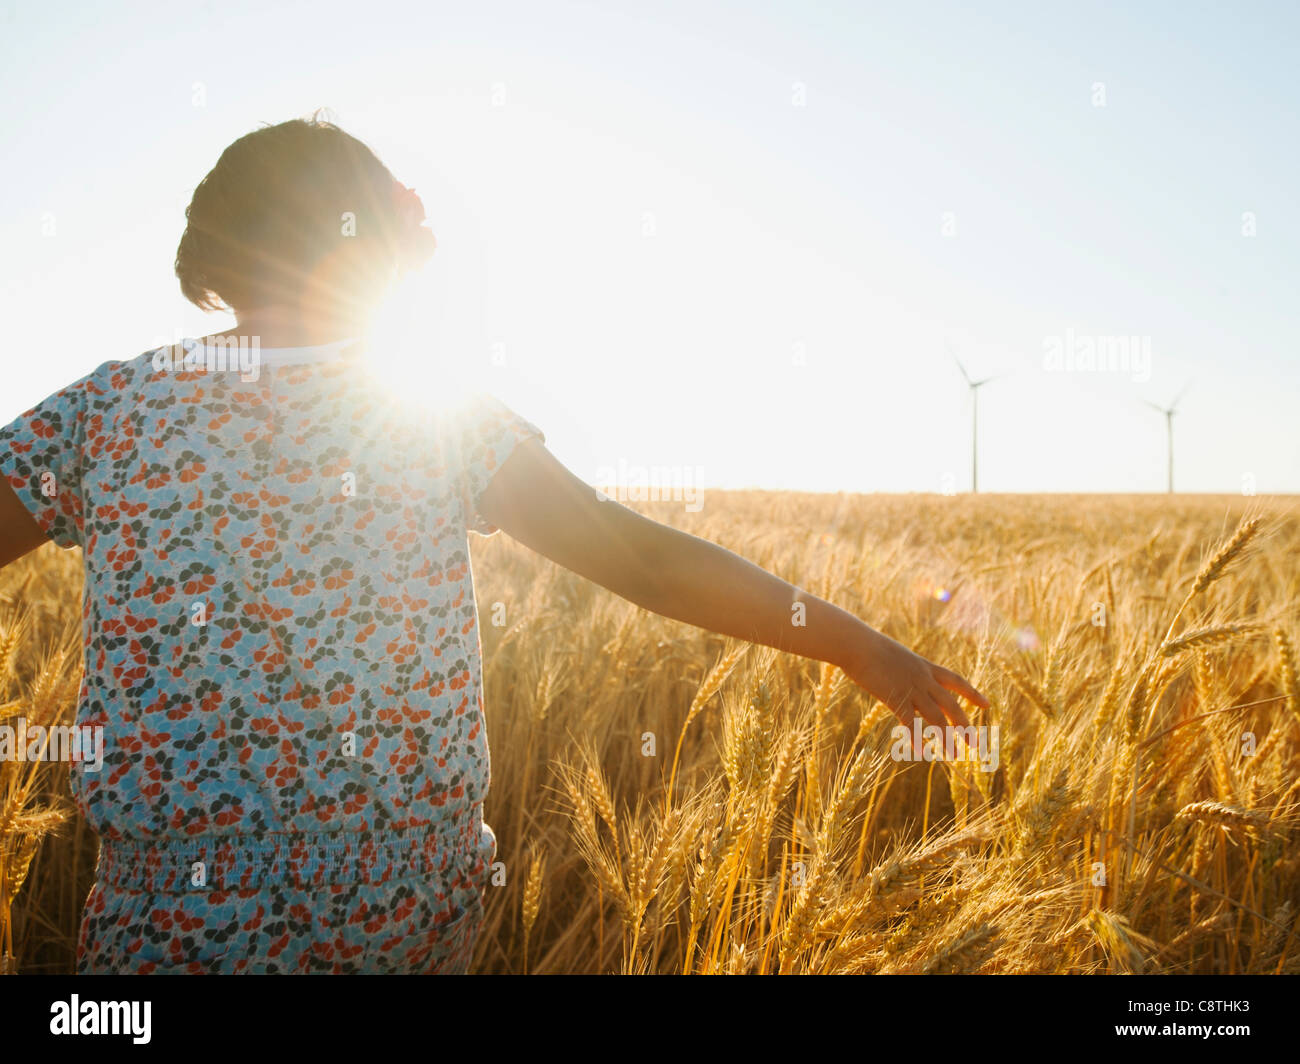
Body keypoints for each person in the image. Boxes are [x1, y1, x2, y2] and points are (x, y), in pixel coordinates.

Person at [0, 114, 986, 973]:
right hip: (395, 907)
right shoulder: (431, 410)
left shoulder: (106, 412)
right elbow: (639, 559)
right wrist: (859, 644)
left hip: (174, 911)